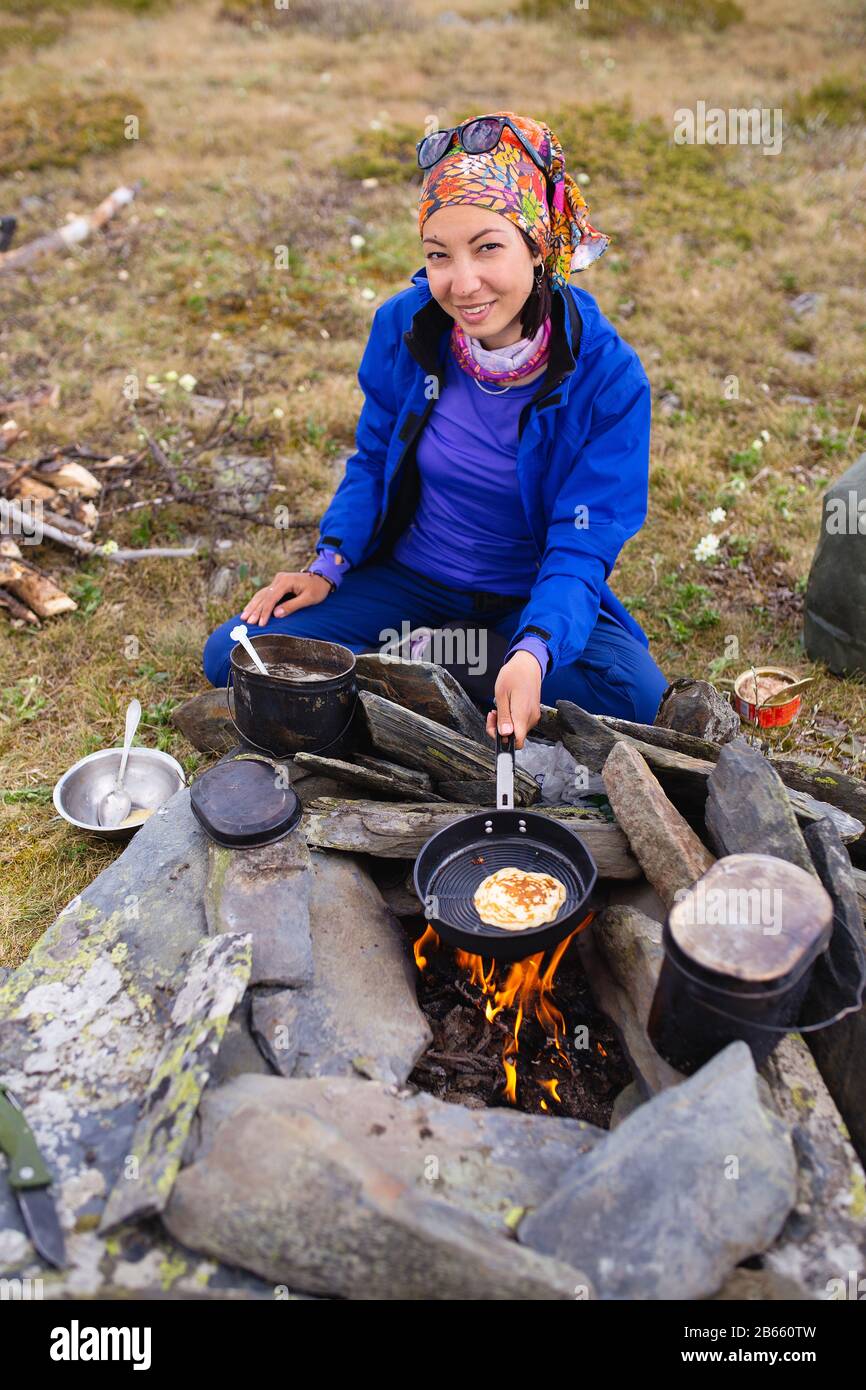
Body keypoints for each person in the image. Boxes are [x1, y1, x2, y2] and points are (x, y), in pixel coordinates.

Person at [203, 110, 668, 747]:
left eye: (488, 247)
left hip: (521, 596)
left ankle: (415, 671)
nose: (463, 283)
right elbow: (372, 457)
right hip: (410, 576)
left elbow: (583, 542)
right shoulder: (406, 326)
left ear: (538, 246)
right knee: (236, 654)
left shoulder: (607, 376)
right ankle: (438, 672)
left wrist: (535, 649)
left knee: (631, 695)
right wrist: (331, 562)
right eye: (438, 255)